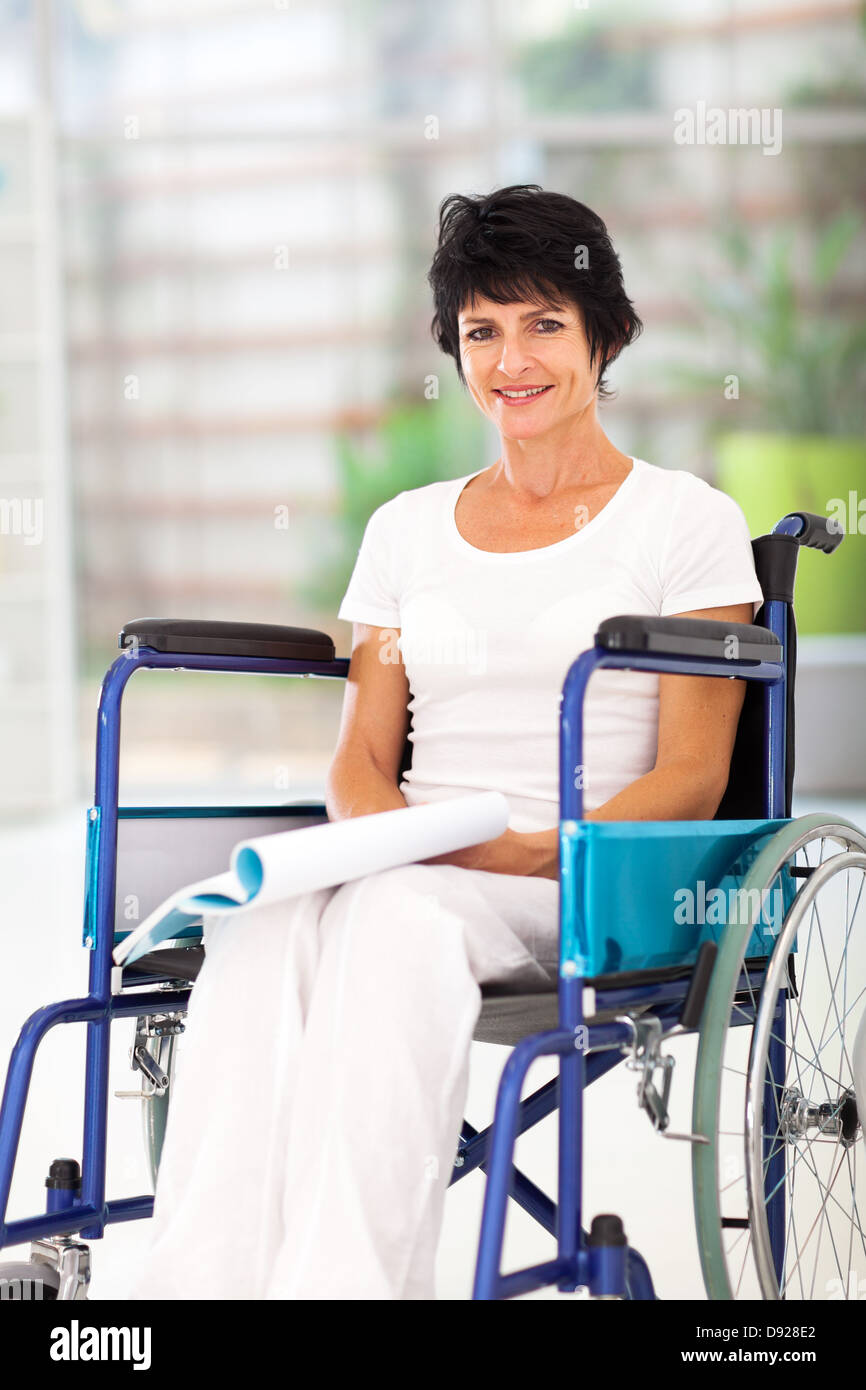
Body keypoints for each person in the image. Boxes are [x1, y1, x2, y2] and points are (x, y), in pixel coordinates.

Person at [128, 185, 764, 1300]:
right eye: (481, 330)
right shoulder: (406, 529)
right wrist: (391, 837)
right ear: (452, 348)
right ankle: (201, 1286)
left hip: (577, 869)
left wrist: (516, 851)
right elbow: (359, 762)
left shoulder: (684, 521)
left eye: (542, 324)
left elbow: (689, 774)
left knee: (393, 917)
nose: (509, 359)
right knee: (261, 926)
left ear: (603, 335)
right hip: (415, 852)